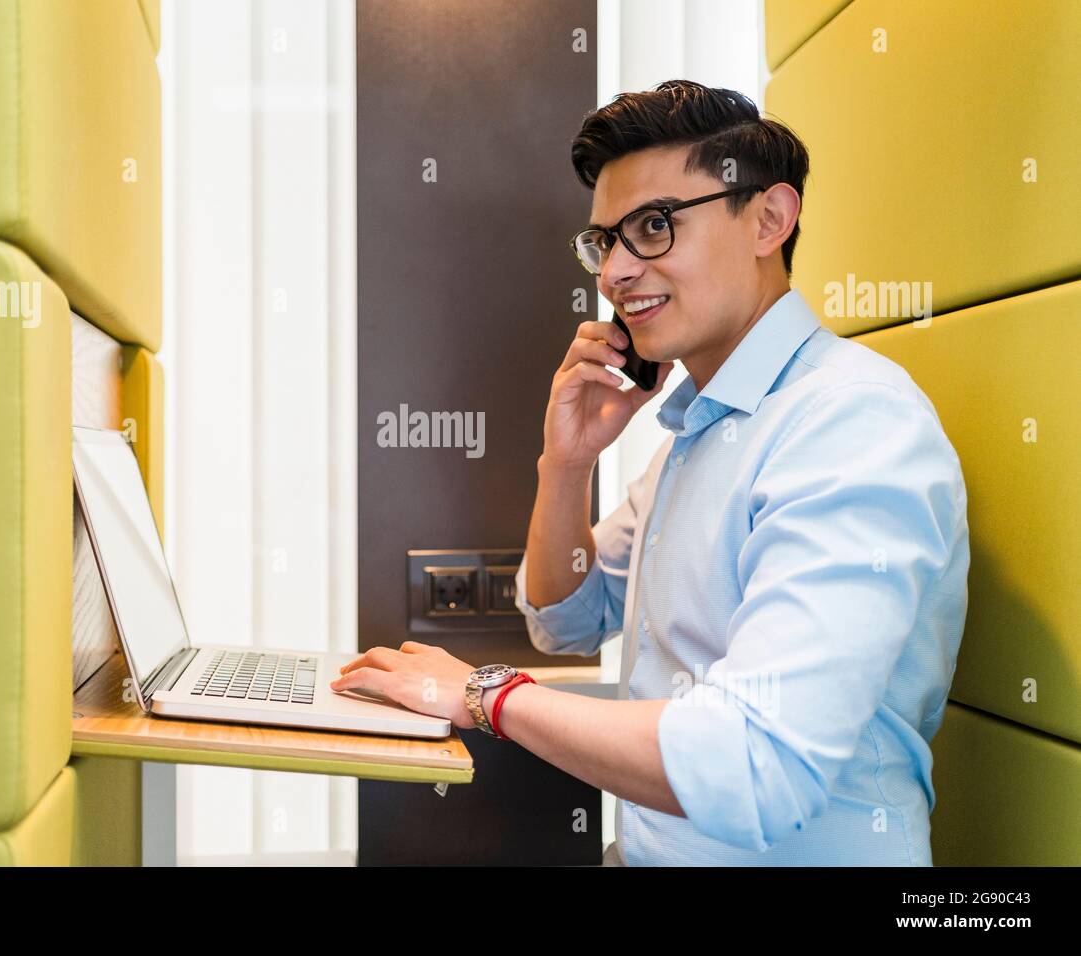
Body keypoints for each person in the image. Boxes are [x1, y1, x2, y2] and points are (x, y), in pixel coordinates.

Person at [331, 80, 969, 866]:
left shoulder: (850, 422)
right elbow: (563, 619)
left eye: (654, 227)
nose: (616, 273)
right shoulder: (701, 430)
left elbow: (756, 763)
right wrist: (565, 464)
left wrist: (483, 695)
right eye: (605, 242)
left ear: (770, 218)